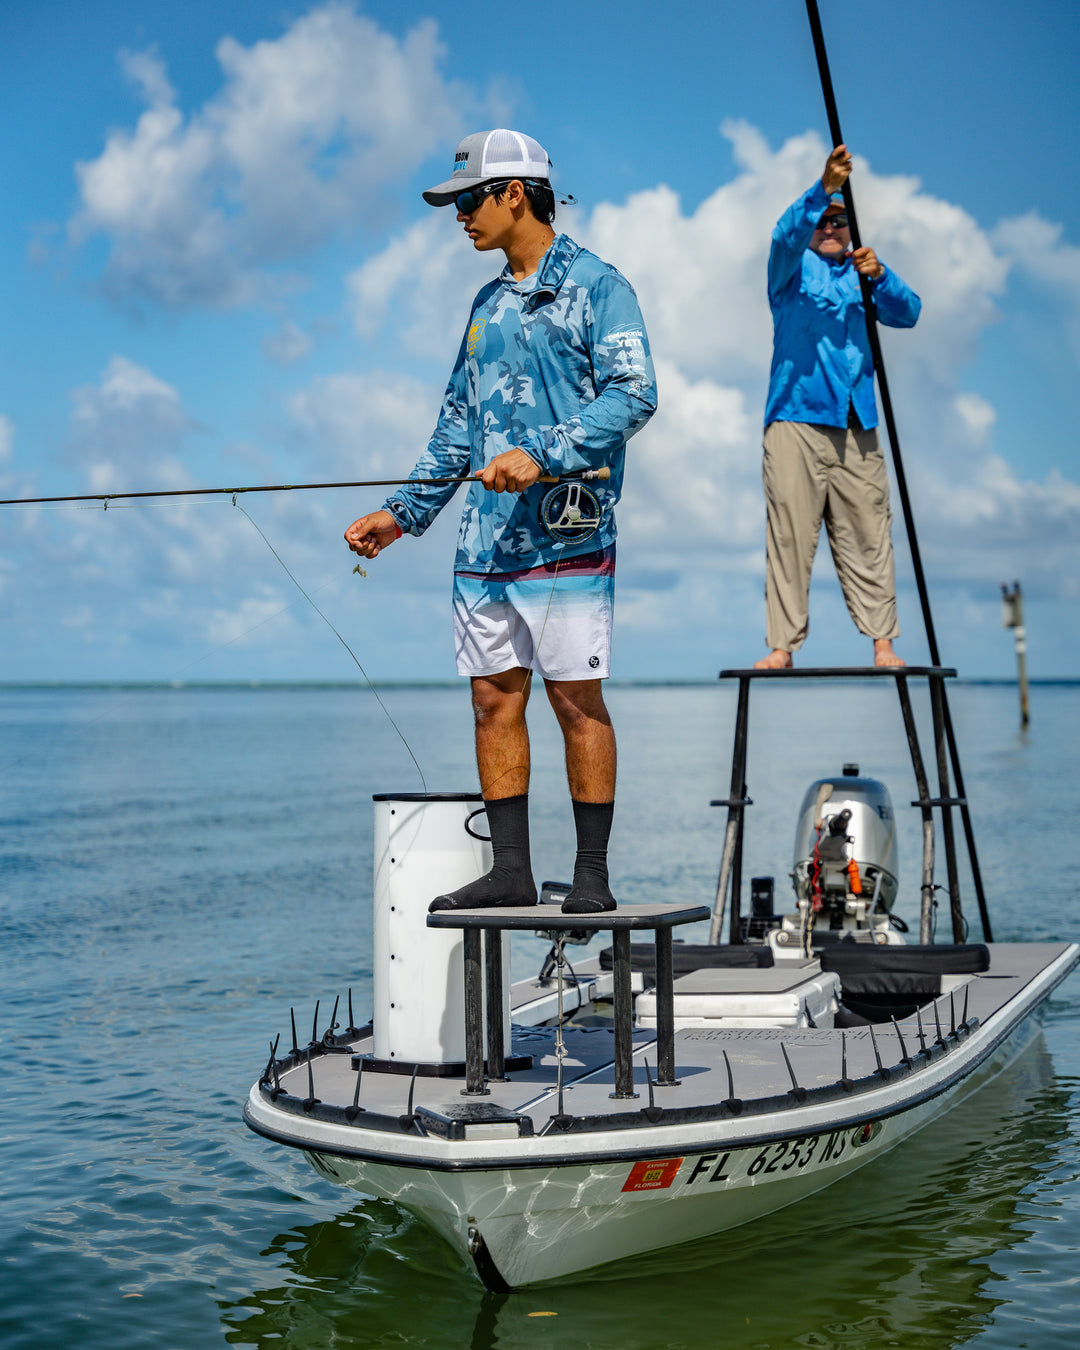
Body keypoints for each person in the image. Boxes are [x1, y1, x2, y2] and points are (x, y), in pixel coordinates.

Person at [344, 129, 656, 914]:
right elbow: (457, 427)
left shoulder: (599, 286)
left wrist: (542, 453)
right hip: (484, 545)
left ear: (514, 194)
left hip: (567, 535)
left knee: (574, 702)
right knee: (492, 702)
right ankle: (511, 869)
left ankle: (591, 878)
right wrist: (401, 513)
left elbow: (634, 395)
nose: (459, 217)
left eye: (468, 201)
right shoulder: (484, 306)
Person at [756, 144, 921, 670]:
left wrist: (881, 275)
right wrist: (824, 187)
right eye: (822, 221)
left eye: (839, 220)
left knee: (872, 534)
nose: (829, 227)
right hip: (795, 419)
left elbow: (908, 312)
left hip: (858, 423)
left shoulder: (862, 272)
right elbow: (784, 235)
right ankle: (782, 647)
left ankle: (882, 643)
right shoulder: (791, 269)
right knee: (789, 534)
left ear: (852, 228)